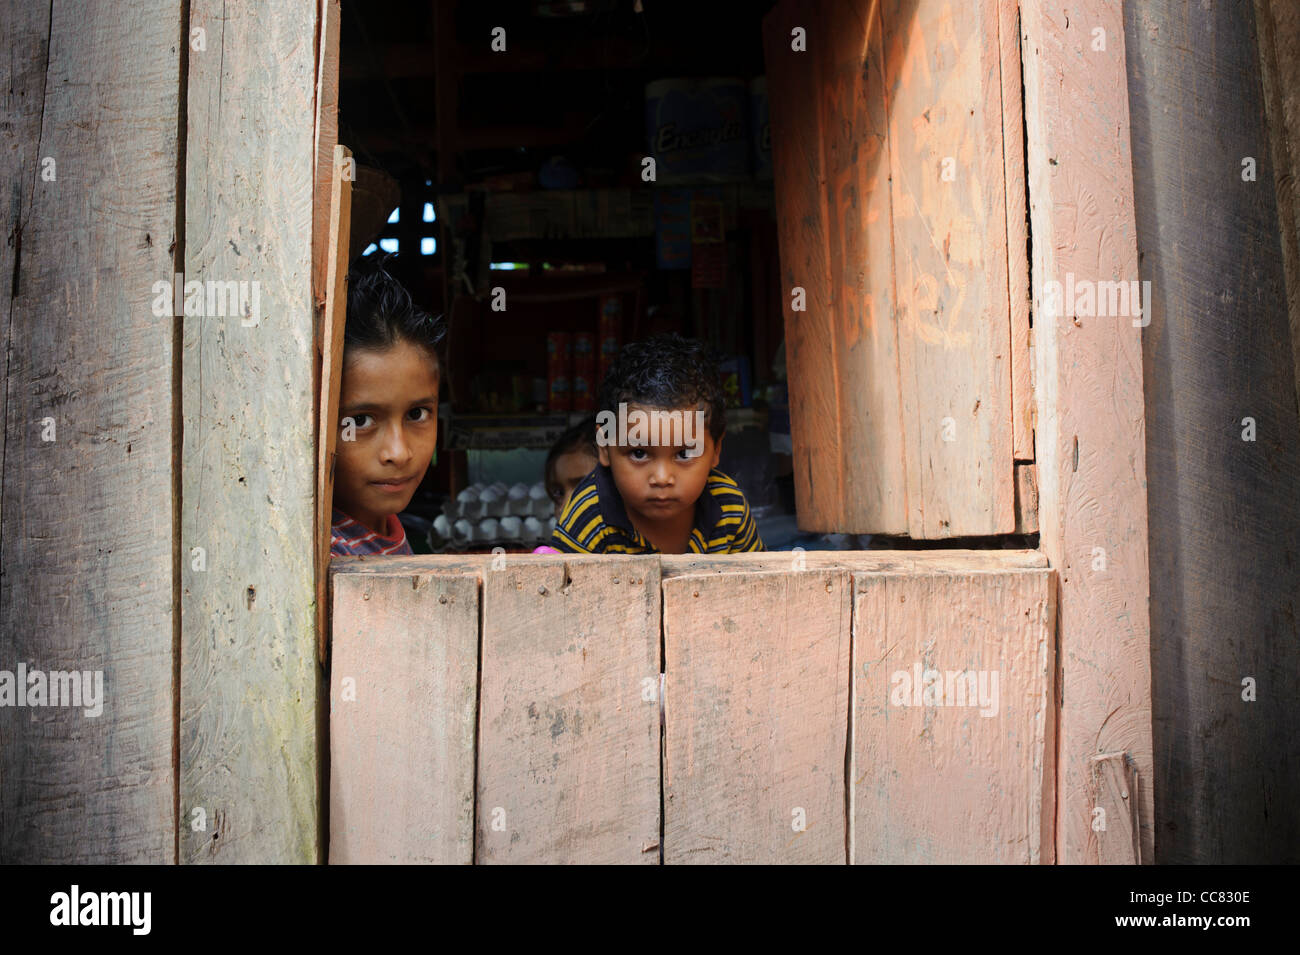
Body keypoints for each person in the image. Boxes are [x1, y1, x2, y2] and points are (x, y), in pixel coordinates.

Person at [550, 334, 764, 554]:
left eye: (684, 454)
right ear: (604, 446)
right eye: (639, 453)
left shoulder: (729, 507)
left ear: (716, 449)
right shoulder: (589, 517)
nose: (662, 478)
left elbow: (758, 584)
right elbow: (563, 587)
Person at [330, 266, 444, 556]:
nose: (399, 452)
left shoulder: (384, 531)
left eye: (417, 414)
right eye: (361, 420)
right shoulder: (328, 555)